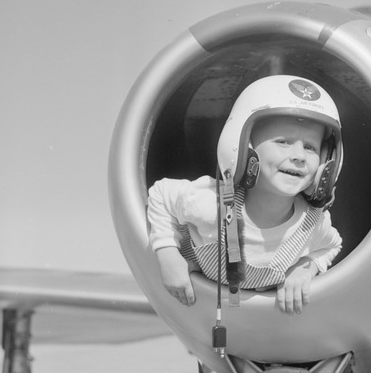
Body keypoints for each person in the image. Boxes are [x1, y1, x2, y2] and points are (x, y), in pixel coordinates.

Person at [147, 75, 344, 315]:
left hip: (251, 325)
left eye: (310, 147)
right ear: (244, 147)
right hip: (201, 310)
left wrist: (305, 268)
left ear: (326, 161)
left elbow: (330, 246)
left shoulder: (312, 224)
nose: (299, 156)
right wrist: (167, 253)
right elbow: (160, 194)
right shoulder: (214, 204)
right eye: (284, 141)